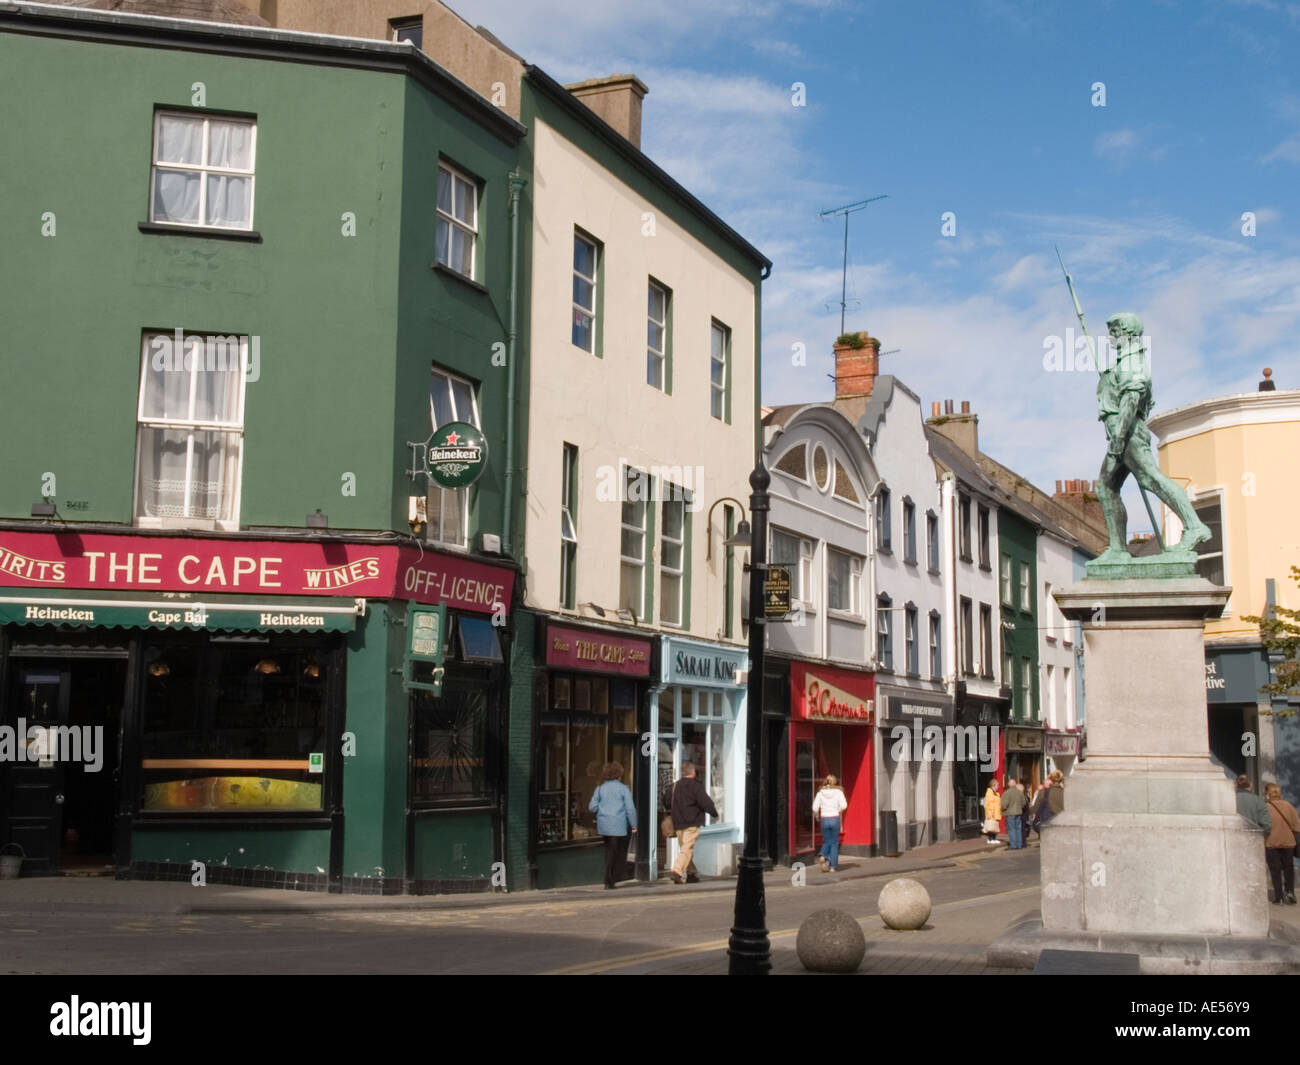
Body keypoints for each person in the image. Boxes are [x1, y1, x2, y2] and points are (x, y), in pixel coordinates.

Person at [1090, 312, 1210, 564]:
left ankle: (1195, 526)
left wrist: (1119, 439)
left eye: (1115, 331)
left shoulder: (1132, 363)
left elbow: (1131, 402)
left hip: (1127, 432)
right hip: (1120, 433)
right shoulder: (1125, 363)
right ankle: (1117, 548)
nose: (1110, 337)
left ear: (1129, 333)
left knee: (1150, 478)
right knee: (1106, 487)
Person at [666, 762, 717, 885]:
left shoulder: (674, 786)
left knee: (685, 849)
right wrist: (715, 814)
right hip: (692, 823)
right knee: (686, 849)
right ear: (693, 772)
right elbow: (706, 803)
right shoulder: (696, 786)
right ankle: (676, 871)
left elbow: (666, 801)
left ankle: (692, 874)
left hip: (678, 822)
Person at [588, 762, 636, 890]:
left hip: (604, 825)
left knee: (609, 851)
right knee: (617, 853)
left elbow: (592, 807)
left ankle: (609, 879)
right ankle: (610, 880)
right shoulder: (623, 789)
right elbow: (630, 809)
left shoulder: (600, 788)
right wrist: (634, 825)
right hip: (619, 825)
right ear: (619, 774)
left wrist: (602, 809)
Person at [1264, 782, 1300, 905]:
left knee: (1275, 870)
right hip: (1288, 842)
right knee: (1288, 868)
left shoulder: (1266, 807)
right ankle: (1290, 892)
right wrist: (1290, 835)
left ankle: (1278, 896)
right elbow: (1296, 825)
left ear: (1267, 793)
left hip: (1271, 843)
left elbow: (1263, 825)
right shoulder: (1288, 806)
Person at [812, 775, 848, 872]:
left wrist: (817, 816)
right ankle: (832, 867)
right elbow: (844, 805)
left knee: (827, 841)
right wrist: (837, 809)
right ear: (835, 782)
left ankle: (823, 856)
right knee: (834, 843)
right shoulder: (839, 792)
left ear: (826, 781)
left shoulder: (820, 793)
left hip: (824, 819)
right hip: (834, 818)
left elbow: (815, 808)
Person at [1001, 778, 1027, 849]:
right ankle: (1019, 844)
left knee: (1012, 829)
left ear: (1009, 784)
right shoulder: (1020, 792)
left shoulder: (1007, 793)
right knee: (1018, 829)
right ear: (1015, 784)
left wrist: (1003, 810)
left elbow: (1004, 805)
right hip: (1018, 812)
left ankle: (1013, 845)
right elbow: (1024, 803)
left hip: (1010, 813)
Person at [982, 778, 1002, 845]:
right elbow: (989, 803)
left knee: (995, 827)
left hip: (996, 813)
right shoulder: (989, 792)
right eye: (997, 785)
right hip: (992, 813)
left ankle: (994, 838)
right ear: (993, 785)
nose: (998, 787)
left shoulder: (996, 793)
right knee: (990, 827)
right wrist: (991, 813)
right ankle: (990, 839)